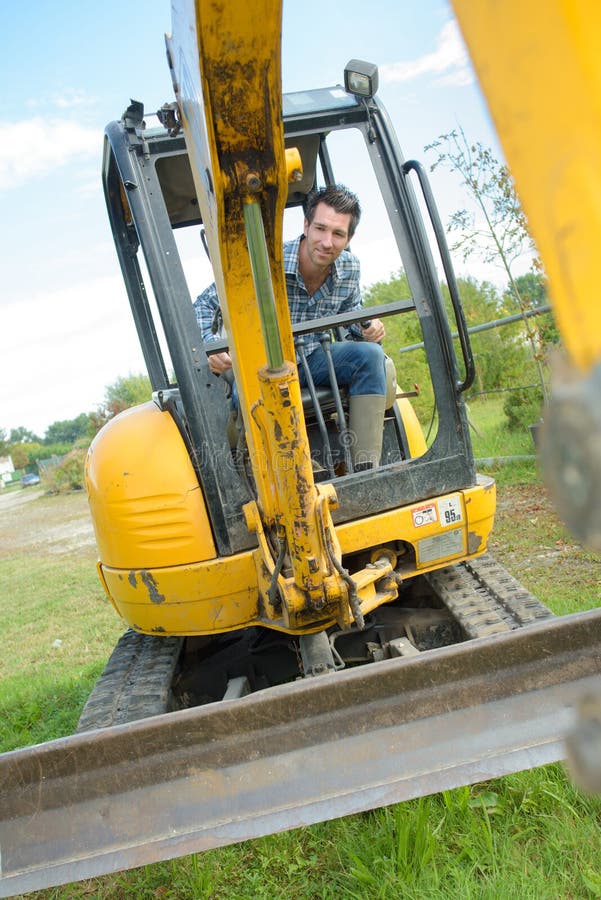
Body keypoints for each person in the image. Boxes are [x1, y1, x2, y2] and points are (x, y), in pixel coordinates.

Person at [194, 184, 388, 469]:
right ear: (306, 225)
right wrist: (210, 345)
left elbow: (351, 315)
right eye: (321, 228)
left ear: (349, 238)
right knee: (247, 392)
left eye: (338, 234)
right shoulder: (262, 264)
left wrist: (369, 328)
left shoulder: (350, 269)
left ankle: (364, 470)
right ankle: (296, 476)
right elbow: (203, 305)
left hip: (312, 359)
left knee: (371, 357)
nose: (326, 241)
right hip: (262, 366)